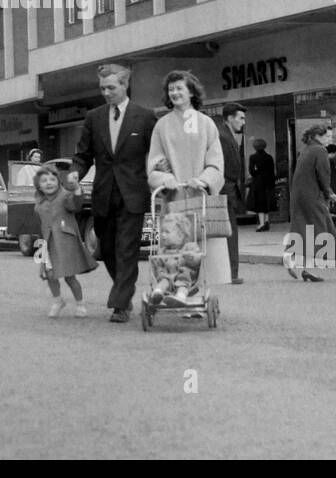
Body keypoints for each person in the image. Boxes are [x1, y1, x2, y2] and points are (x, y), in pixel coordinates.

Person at [68, 63, 157, 324]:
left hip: (133, 194)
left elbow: (156, 153)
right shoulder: (93, 118)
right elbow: (83, 155)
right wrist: (75, 172)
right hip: (104, 194)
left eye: (111, 87)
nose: (106, 93)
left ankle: (120, 304)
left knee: (127, 249)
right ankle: (124, 291)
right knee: (106, 249)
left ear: (124, 85)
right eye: (102, 88)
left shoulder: (145, 116)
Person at [147, 70, 225, 288]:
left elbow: (216, 160)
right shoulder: (161, 125)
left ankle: (196, 294)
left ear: (191, 92)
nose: (174, 93)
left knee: (199, 249)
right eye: (171, 89)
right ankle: (171, 290)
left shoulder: (207, 123)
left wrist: (204, 179)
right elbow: (154, 162)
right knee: (173, 247)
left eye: (179, 88)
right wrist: (164, 179)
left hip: (199, 198)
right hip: (174, 199)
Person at [32, 164, 97, 317]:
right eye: (44, 180)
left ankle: (80, 304)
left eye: (52, 179)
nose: (49, 183)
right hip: (48, 243)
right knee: (50, 274)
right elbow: (40, 223)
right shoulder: (39, 204)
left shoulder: (65, 196)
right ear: (38, 186)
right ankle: (57, 300)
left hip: (65, 242)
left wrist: (76, 189)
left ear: (59, 181)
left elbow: (76, 204)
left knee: (69, 275)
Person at [285, 124, 336, 282]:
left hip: (300, 194)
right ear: (317, 136)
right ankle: (295, 259)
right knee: (321, 230)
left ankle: (304, 267)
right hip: (312, 195)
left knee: (304, 229)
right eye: (327, 136)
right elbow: (323, 174)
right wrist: (329, 193)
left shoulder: (306, 149)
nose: (329, 140)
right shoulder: (320, 150)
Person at [215, 102, 247, 284]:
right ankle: (230, 272)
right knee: (229, 232)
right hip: (226, 189)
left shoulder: (227, 135)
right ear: (230, 118)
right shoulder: (223, 137)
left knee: (230, 231)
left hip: (228, 188)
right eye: (240, 118)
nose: (243, 122)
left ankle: (230, 271)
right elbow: (227, 166)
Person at [248, 137, 275, 232]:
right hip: (269, 182)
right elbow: (272, 171)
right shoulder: (269, 157)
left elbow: (251, 171)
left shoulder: (253, 157)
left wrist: (257, 173)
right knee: (267, 202)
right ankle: (267, 221)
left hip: (258, 182)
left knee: (259, 203)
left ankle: (262, 223)